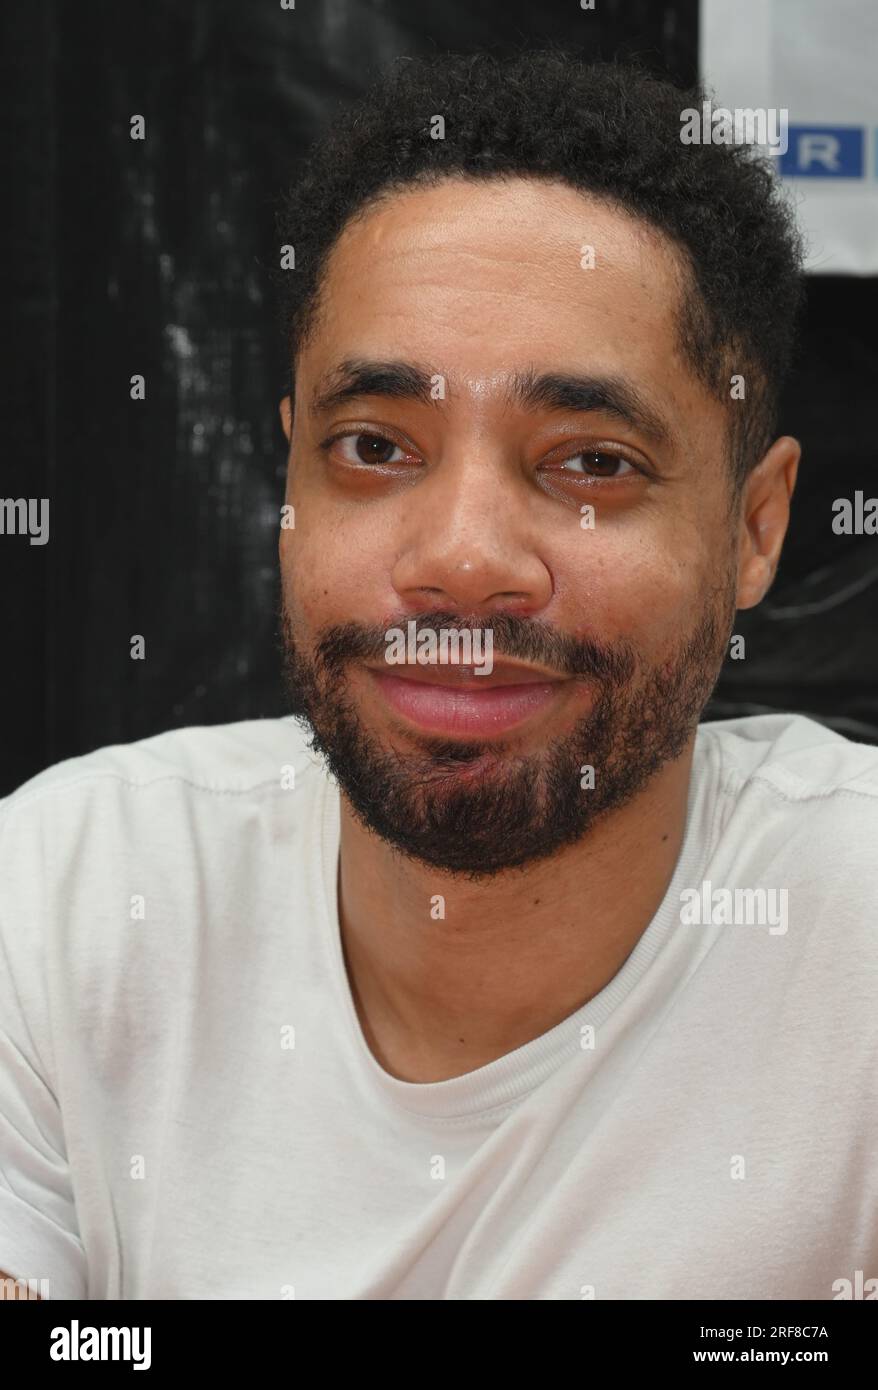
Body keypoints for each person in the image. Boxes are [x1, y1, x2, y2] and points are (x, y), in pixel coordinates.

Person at [1, 49, 876, 1302]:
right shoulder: (63, 897)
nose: (463, 562)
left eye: (590, 463)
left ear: (753, 526)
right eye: (373, 447)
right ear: (289, 471)